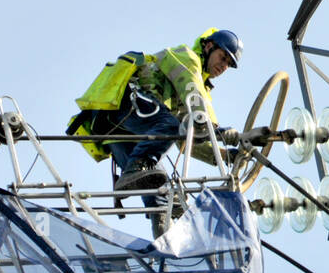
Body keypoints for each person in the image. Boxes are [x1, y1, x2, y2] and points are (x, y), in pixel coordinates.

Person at [66, 28, 244, 233]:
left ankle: (163, 246)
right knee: (169, 128)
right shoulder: (187, 58)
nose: (223, 66)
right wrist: (214, 128)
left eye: (228, 64)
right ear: (208, 46)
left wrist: (224, 156)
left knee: (160, 191)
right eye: (222, 58)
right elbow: (193, 90)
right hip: (127, 105)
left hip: (119, 131)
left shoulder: (183, 97)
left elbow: (186, 141)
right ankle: (135, 168)